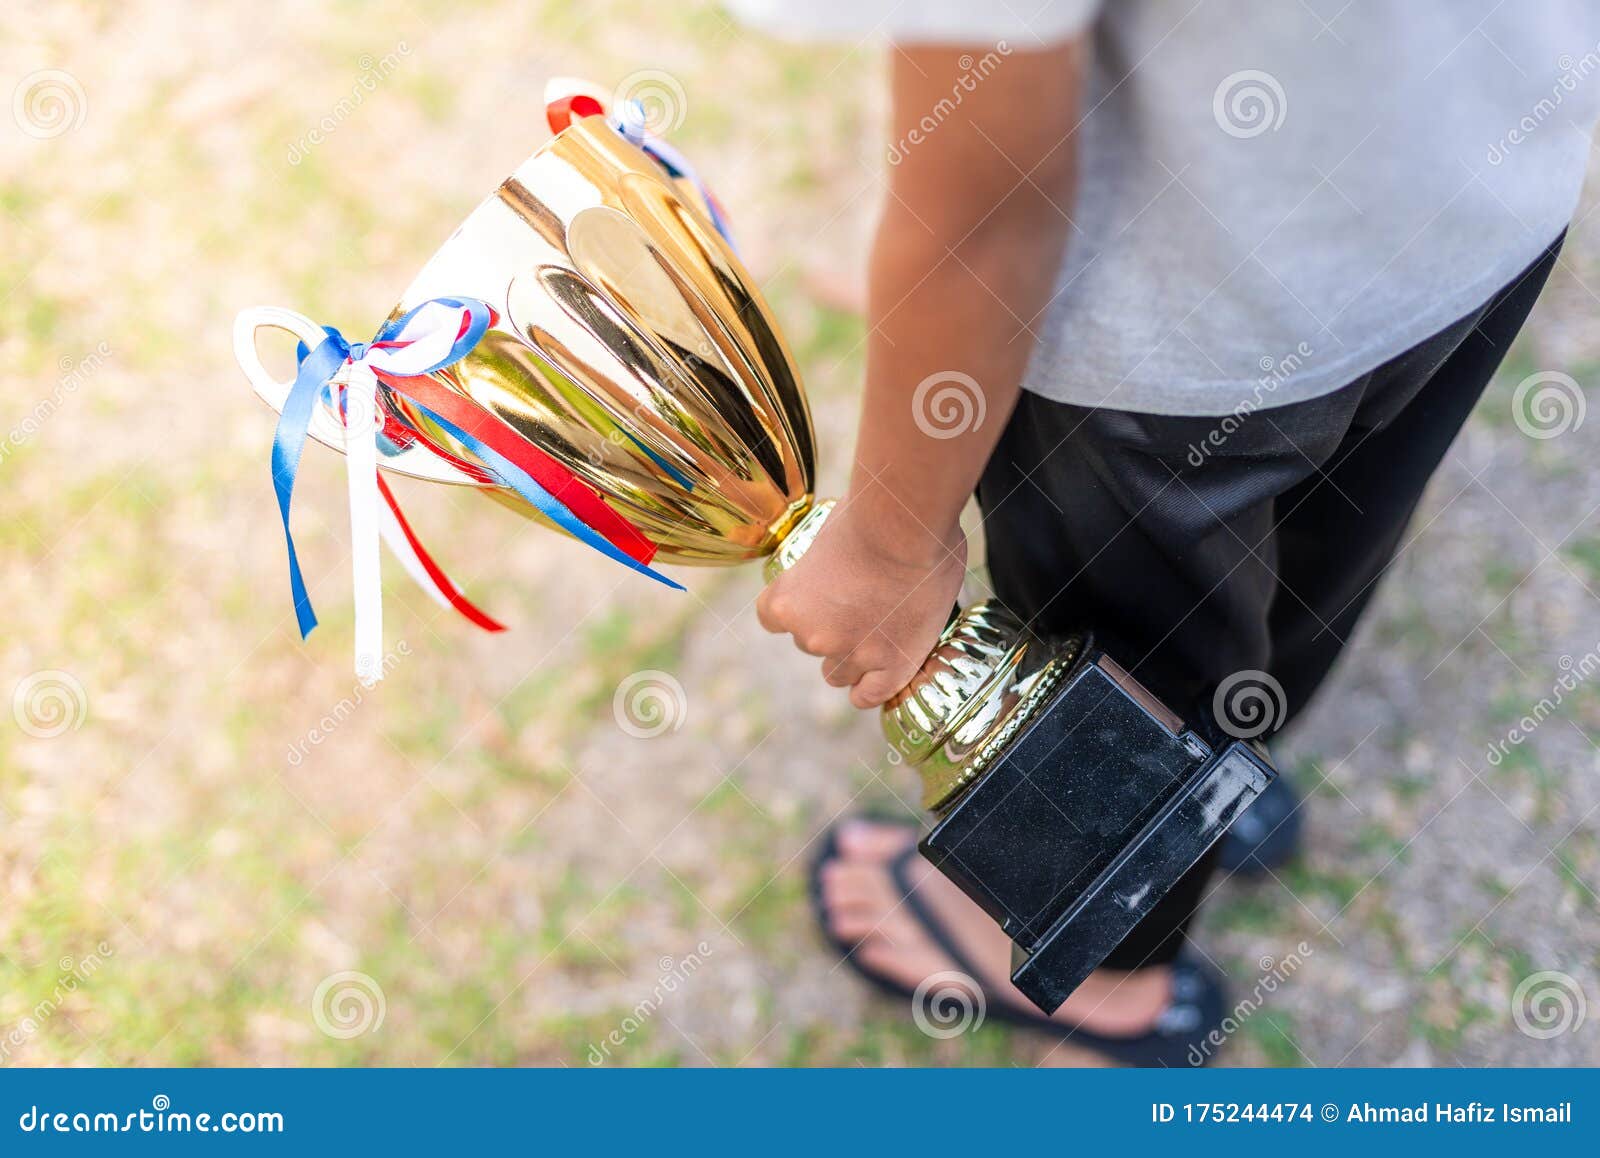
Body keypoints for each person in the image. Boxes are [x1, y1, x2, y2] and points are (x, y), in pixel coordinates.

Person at [732, 0, 1600, 1064]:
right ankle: (1228, 768)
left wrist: (890, 542)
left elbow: (989, 207)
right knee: (1328, 543)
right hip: (1476, 200)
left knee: (1120, 656)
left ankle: (1110, 976)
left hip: (1173, 343)